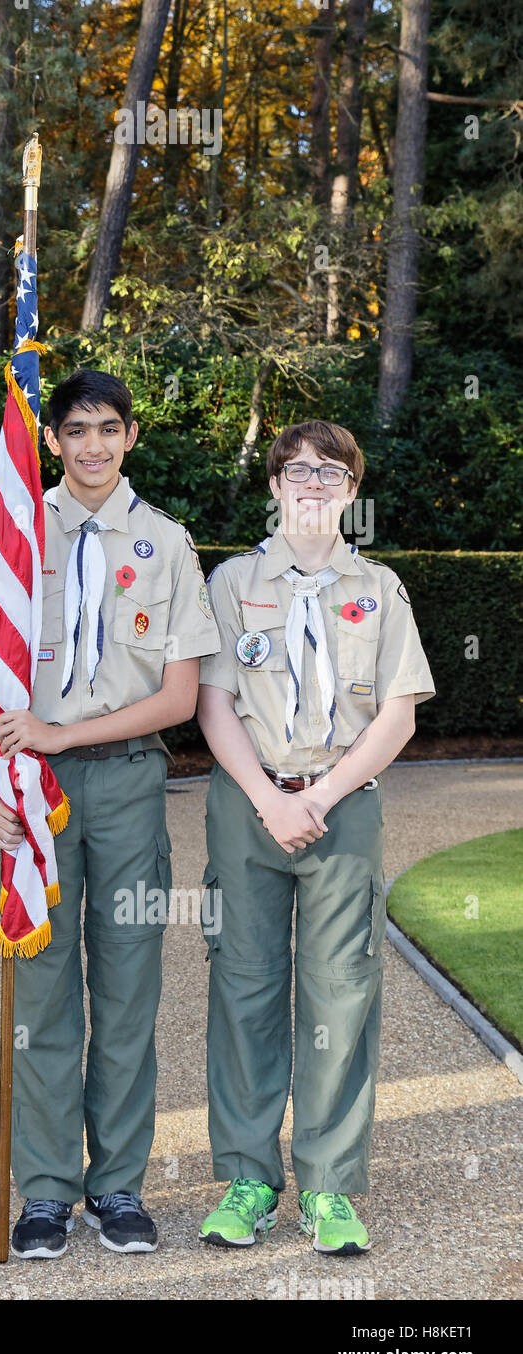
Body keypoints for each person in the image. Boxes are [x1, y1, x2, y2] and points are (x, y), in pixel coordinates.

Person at [0, 367, 220, 1258]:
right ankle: (44, 1191)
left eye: (110, 429)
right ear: (55, 441)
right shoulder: (16, 534)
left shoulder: (169, 544)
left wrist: (66, 737)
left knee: (127, 989)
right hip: (36, 790)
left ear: (132, 437)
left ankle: (116, 1187)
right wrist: (0, 785)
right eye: (76, 431)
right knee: (42, 993)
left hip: (126, 785)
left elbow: (181, 696)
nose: (94, 446)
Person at [196, 420, 434, 1255]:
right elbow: (213, 704)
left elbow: (396, 715)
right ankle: (250, 1178)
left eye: (331, 472)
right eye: (297, 471)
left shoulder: (381, 588)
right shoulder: (229, 584)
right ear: (273, 485)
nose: (312, 483)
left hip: (342, 806)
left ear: (352, 491)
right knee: (245, 987)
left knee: (341, 993)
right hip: (248, 804)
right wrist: (269, 798)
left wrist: (320, 796)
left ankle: (329, 1185)